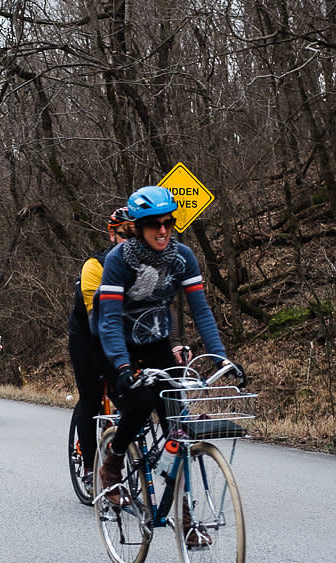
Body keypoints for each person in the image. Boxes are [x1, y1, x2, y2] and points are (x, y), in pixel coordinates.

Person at [94, 186, 238, 543]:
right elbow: (109, 320)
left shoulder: (182, 256)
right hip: (118, 346)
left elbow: (201, 310)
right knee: (141, 402)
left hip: (156, 342)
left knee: (179, 419)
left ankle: (184, 516)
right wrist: (123, 368)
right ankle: (112, 462)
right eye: (155, 225)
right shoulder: (119, 260)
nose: (163, 231)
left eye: (169, 223)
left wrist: (220, 356)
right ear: (139, 227)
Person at [67, 207, 135, 492]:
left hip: (124, 330)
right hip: (88, 335)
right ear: (111, 234)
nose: (132, 242)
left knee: (134, 396)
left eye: (137, 234)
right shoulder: (95, 266)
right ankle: (88, 465)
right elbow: (100, 320)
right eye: (125, 235)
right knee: (92, 396)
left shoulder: (145, 263)